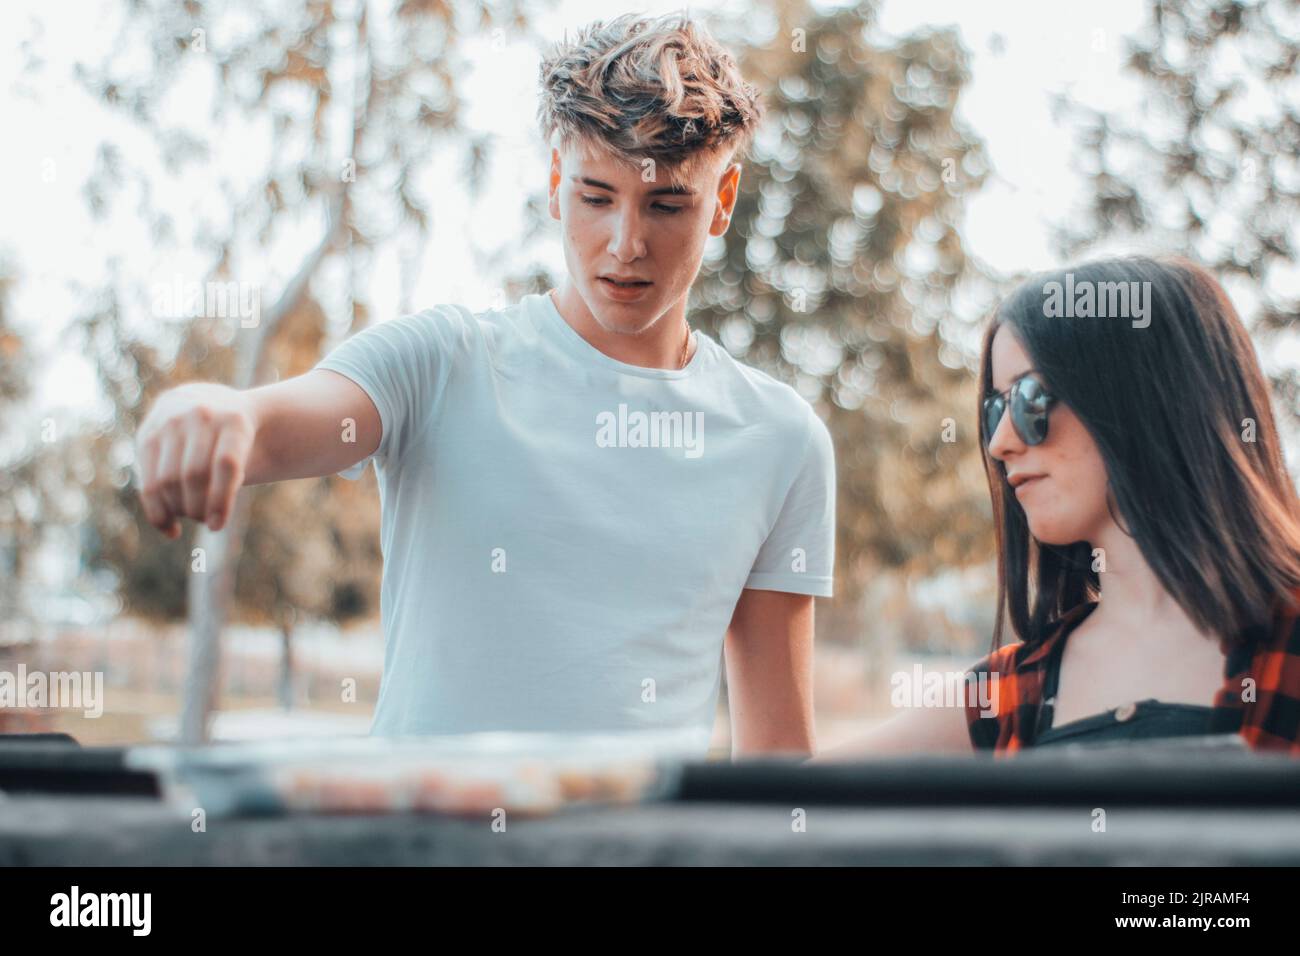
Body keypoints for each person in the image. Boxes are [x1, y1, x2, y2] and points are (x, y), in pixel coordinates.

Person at [132, 13, 835, 755]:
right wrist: (209, 409)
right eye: (597, 196)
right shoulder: (441, 363)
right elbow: (278, 420)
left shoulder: (779, 441)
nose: (626, 244)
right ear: (557, 180)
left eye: (666, 204)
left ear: (722, 201)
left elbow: (778, 768)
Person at [821, 256, 1300, 758]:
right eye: (994, 408)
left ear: (1143, 397)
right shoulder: (1004, 696)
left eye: (1031, 397)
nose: (1000, 442)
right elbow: (783, 806)